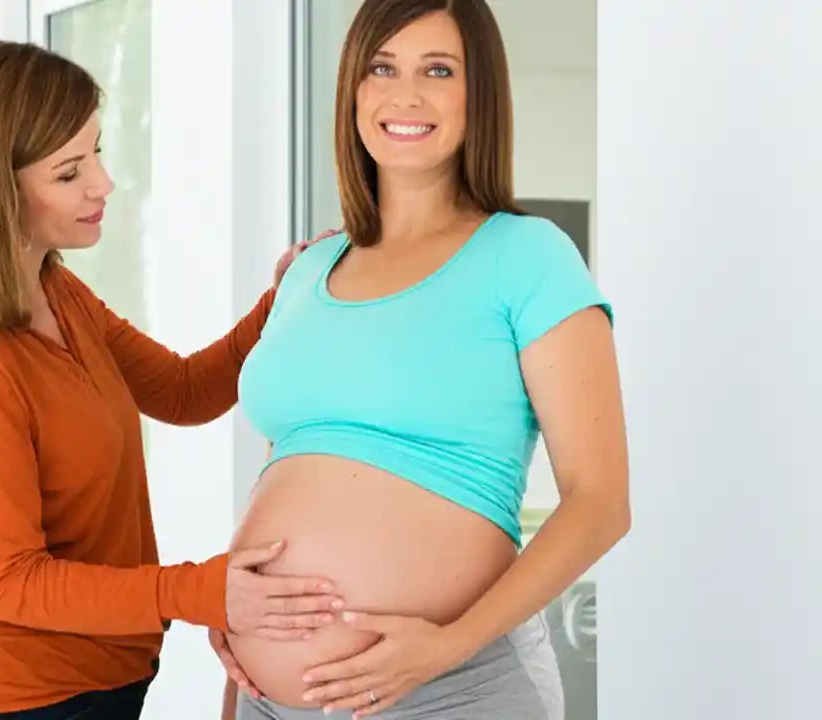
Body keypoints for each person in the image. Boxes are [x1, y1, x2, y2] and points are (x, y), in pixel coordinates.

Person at [0, 40, 343, 720]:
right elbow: (15, 585)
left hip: (99, 691)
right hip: (8, 703)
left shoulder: (56, 293)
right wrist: (202, 591)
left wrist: (281, 300)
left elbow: (185, 393)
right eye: (70, 172)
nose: (103, 183)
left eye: (97, 152)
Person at [213, 1, 631, 718]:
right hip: (268, 701)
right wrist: (233, 610)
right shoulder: (309, 269)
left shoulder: (527, 257)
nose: (405, 95)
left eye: (438, 70)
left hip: (450, 689)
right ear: (353, 89)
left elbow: (600, 504)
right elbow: (292, 468)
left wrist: (450, 644)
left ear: (481, 96)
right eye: (383, 67)